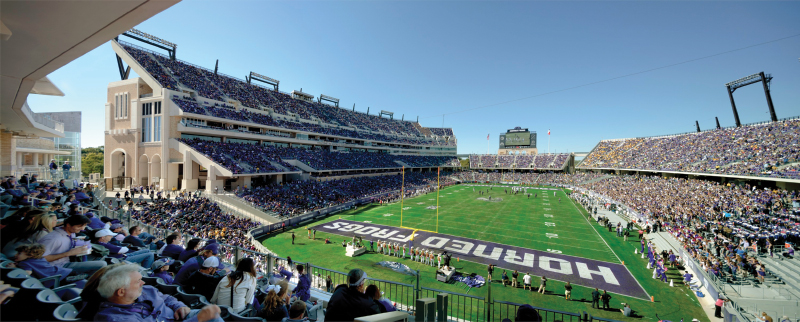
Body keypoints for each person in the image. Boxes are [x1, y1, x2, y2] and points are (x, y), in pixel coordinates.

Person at [94, 264, 223, 322]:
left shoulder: (144, 290)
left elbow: (166, 297)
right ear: (121, 292)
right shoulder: (116, 318)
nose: (143, 283)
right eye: (138, 281)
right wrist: (199, 319)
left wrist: (178, 306)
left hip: (178, 315)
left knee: (214, 317)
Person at [39, 214, 108, 276]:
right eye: (79, 226)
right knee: (102, 264)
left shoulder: (71, 233)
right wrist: (68, 253)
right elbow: (40, 258)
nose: (82, 229)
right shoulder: (54, 238)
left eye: (84, 226)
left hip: (68, 261)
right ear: (68, 225)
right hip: (58, 267)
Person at [10, 243, 87, 286]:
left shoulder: (25, 263)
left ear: (30, 255)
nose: (16, 255)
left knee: (86, 281)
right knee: (86, 279)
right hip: (65, 273)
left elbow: (26, 274)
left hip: (61, 278)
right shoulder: (39, 258)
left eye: (19, 253)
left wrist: (14, 268)